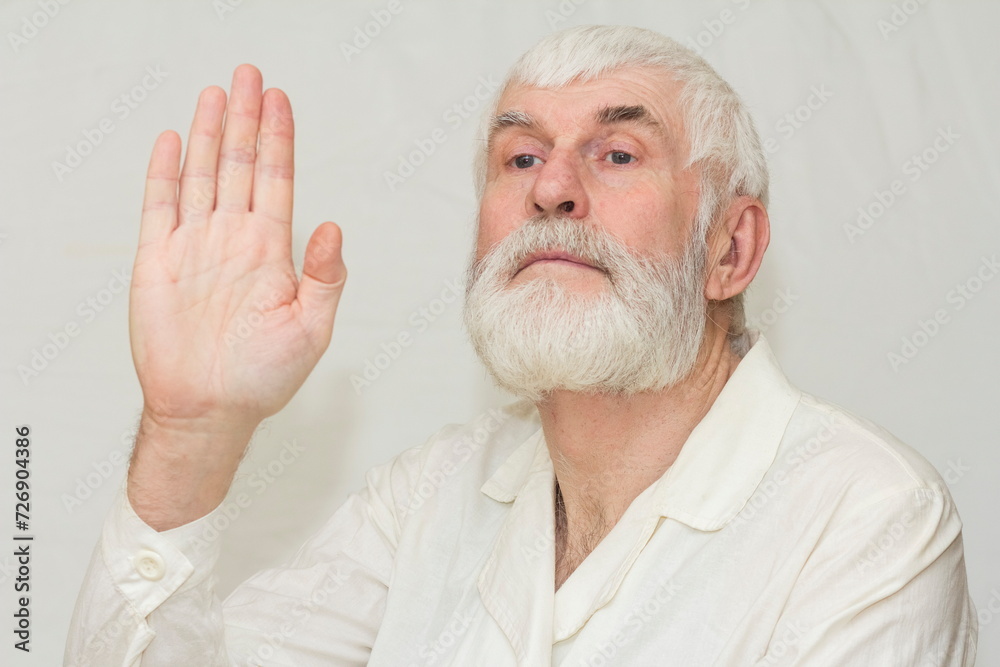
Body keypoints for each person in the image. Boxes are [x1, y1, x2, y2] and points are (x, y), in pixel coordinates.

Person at [65, 25, 977, 666]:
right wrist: (188, 435)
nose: (553, 190)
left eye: (617, 154)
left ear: (729, 249)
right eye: (520, 156)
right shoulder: (426, 496)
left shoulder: (869, 519)